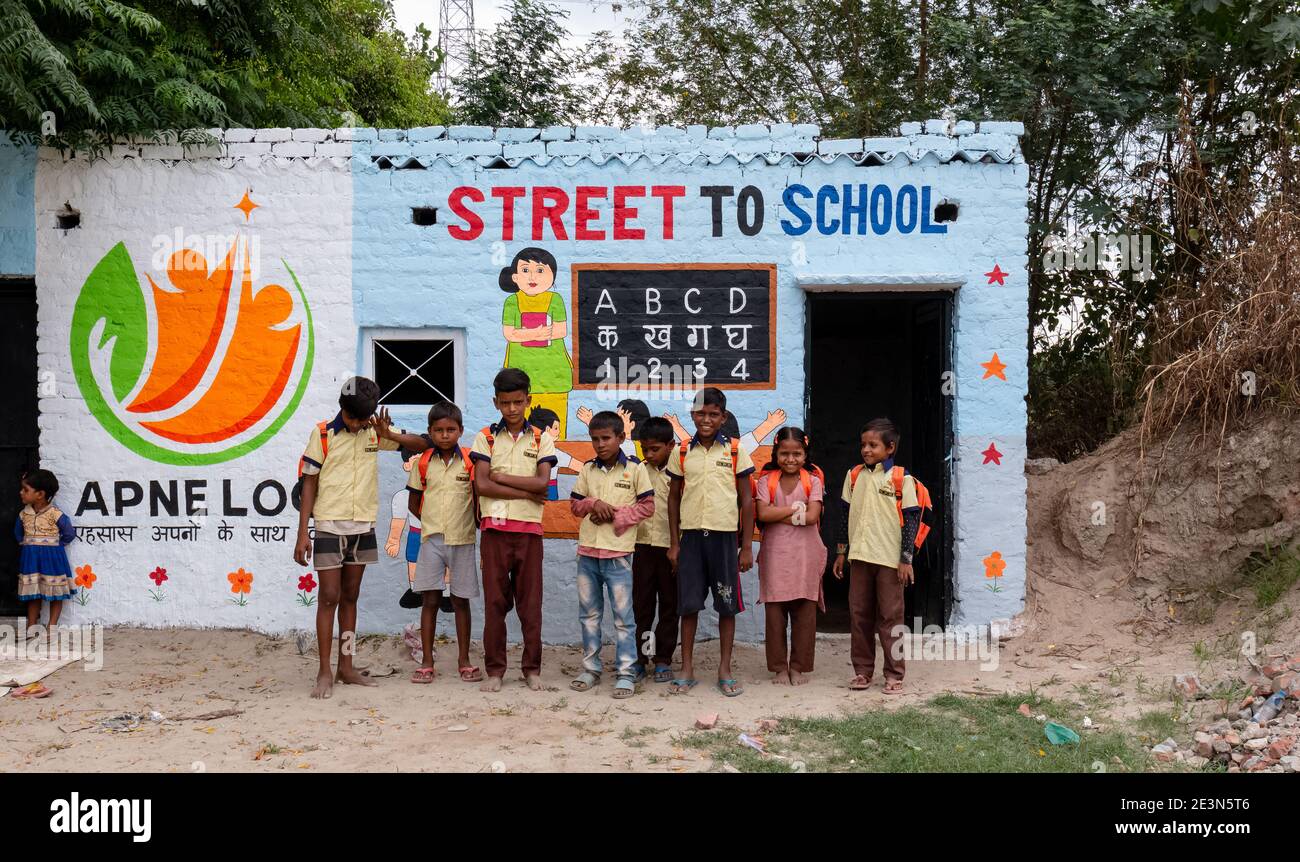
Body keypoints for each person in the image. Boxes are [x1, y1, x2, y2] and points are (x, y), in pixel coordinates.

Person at [293, 377, 425, 699]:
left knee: (350, 597)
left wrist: (388, 434)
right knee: (329, 597)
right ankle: (325, 670)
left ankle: (346, 666)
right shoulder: (323, 434)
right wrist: (302, 534)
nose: (358, 425)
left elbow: (424, 445)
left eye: (364, 419)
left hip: (362, 527)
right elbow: (308, 483)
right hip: (328, 527)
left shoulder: (373, 432)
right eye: (354, 419)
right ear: (342, 409)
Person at [470, 368, 557, 691]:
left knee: (530, 603)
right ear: (496, 403)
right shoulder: (486, 437)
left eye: (518, 402)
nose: (512, 410)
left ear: (528, 400)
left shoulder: (541, 438)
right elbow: (481, 484)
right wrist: (524, 492)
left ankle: (531, 668)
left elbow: (542, 482)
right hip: (494, 530)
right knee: (495, 602)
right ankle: (495, 670)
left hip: (529, 531)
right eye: (505, 403)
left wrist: (500, 477)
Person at [666, 387, 755, 697]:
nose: (706, 419)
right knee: (688, 606)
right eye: (701, 413)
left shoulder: (734, 450)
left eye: (713, 414)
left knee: (726, 606)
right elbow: (673, 498)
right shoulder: (681, 452)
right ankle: (687, 669)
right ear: (692, 414)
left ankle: (724, 670)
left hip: (724, 541)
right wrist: (674, 543)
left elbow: (746, 500)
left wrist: (746, 546)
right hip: (690, 539)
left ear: (723, 417)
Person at [568, 411, 654, 698]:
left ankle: (627, 672)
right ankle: (591, 669)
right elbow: (576, 504)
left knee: (623, 618)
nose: (600, 444)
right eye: (595, 439)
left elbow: (647, 507)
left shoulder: (635, 469)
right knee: (589, 615)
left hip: (618, 555)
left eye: (606, 438)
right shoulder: (588, 469)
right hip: (588, 554)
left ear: (621, 437)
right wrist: (594, 503)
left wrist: (614, 515)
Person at [832, 417, 922, 694]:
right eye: (863, 445)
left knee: (891, 617)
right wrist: (840, 552)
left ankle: (894, 674)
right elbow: (844, 517)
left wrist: (906, 559)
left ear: (890, 447)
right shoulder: (854, 476)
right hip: (859, 556)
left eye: (873, 445)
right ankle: (862, 671)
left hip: (889, 560)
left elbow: (911, 520)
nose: (866, 450)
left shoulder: (901, 479)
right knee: (859, 615)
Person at [406, 401, 482, 684]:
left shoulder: (471, 462)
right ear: (430, 432)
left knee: (461, 600)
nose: (445, 435)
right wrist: (432, 521)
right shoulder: (423, 462)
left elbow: (477, 500)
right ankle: (427, 661)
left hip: (462, 539)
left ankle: (465, 660)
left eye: (451, 429)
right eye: (439, 430)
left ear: (461, 430)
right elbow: (414, 502)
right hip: (432, 540)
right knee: (430, 601)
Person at [754, 428, 826, 685]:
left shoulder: (813, 480)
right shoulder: (766, 480)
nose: (791, 459)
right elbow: (762, 515)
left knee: (804, 612)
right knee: (775, 614)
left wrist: (778, 512)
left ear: (806, 455)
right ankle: (779, 668)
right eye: (784, 453)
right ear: (776, 453)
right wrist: (796, 510)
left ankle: (798, 666)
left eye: (797, 453)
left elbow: (812, 517)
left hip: (806, 556)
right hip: (775, 556)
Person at [499, 247, 573, 438]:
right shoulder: (512, 302)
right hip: (519, 378)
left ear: (553, 277)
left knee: (556, 430)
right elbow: (509, 334)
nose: (533, 277)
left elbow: (560, 330)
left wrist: (525, 333)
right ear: (515, 277)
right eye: (525, 270)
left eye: (540, 270)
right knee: (523, 432)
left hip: (554, 377)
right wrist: (540, 332)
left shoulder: (555, 299)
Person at [632, 417, 678, 683]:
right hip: (642, 547)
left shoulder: (680, 470)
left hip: (671, 548)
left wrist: (677, 545)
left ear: (670, 445)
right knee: (643, 606)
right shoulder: (638, 471)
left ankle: (662, 659)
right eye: (644, 449)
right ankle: (641, 658)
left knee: (670, 606)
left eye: (654, 449)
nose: (648, 455)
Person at [15, 469, 76, 632]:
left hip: (53, 559)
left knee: (55, 593)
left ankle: (51, 627)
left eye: (25, 490)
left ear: (40, 494)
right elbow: (18, 533)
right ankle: (31, 626)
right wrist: (29, 545)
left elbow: (69, 533)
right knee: (33, 594)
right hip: (31, 560)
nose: (21, 493)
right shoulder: (24, 514)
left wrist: (56, 545)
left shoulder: (55, 514)